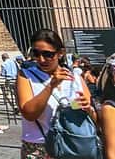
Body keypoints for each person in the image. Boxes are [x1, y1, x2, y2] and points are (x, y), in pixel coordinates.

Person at [17, 29, 92, 159]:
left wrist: (87, 107)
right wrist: (51, 86)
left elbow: (90, 116)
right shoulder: (26, 76)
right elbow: (29, 114)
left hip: (72, 145)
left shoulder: (75, 77)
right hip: (39, 146)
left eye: (48, 54)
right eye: (36, 53)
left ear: (60, 53)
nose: (41, 59)